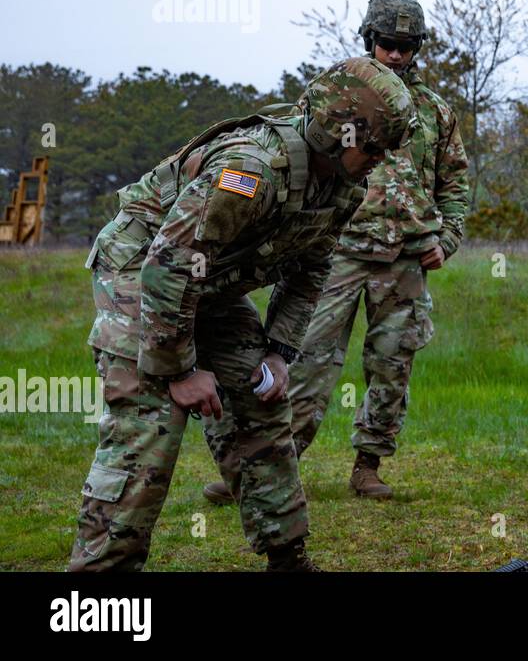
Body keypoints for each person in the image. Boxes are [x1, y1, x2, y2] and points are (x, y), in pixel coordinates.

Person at [69, 58, 414, 570]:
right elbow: (167, 267)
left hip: (207, 281)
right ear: (337, 131)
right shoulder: (249, 170)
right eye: (375, 146)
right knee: (151, 422)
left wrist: (278, 353)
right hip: (142, 272)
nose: (380, 160)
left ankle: (288, 558)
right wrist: (180, 370)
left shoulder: (345, 186)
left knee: (264, 402)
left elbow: (312, 267)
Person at [203, 0, 469, 503]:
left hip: (405, 257)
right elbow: (298, 155)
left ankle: (368, 466)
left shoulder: (434, 111)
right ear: (370, 40)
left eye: (405, 46)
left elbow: (454, 182)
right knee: (305, 364)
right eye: (387, 44)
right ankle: (273, 469)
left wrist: (448, 236)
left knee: (392, 365)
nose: (395, 55)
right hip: (335, 252)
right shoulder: (331, 100)